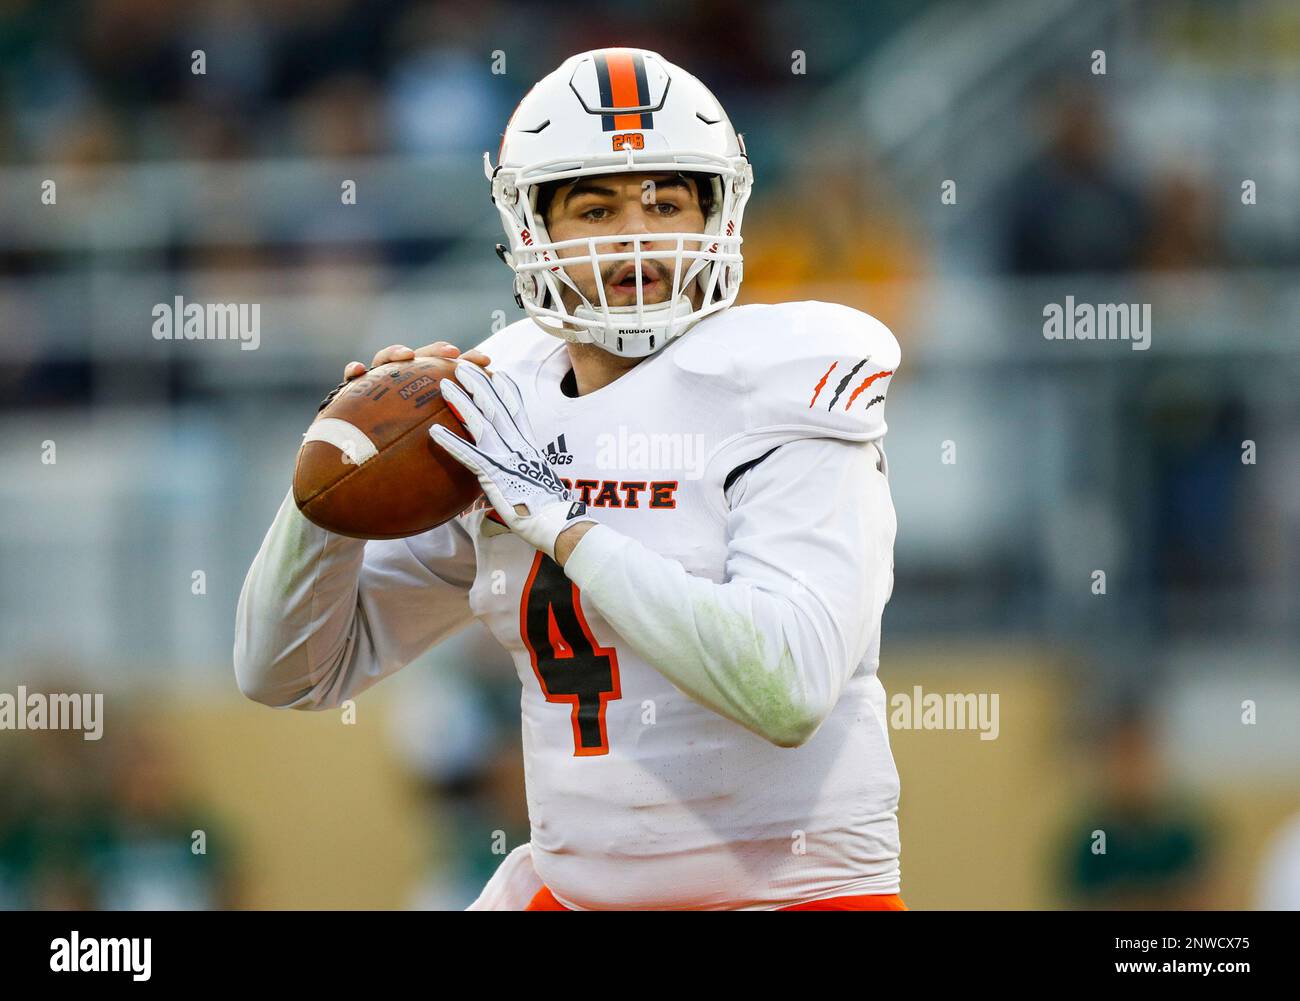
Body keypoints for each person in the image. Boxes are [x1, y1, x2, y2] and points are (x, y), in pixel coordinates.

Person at [235, 47, 903, 911]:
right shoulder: (502, 400)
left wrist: (561, 519)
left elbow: (788, 687)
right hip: (577, 890)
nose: (638, 237)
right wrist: (332, 488)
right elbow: (288, 673)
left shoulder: (782, 383)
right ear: (531, 231)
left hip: (795, 895)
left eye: (666, 202)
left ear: (718, 218)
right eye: (597, 207)